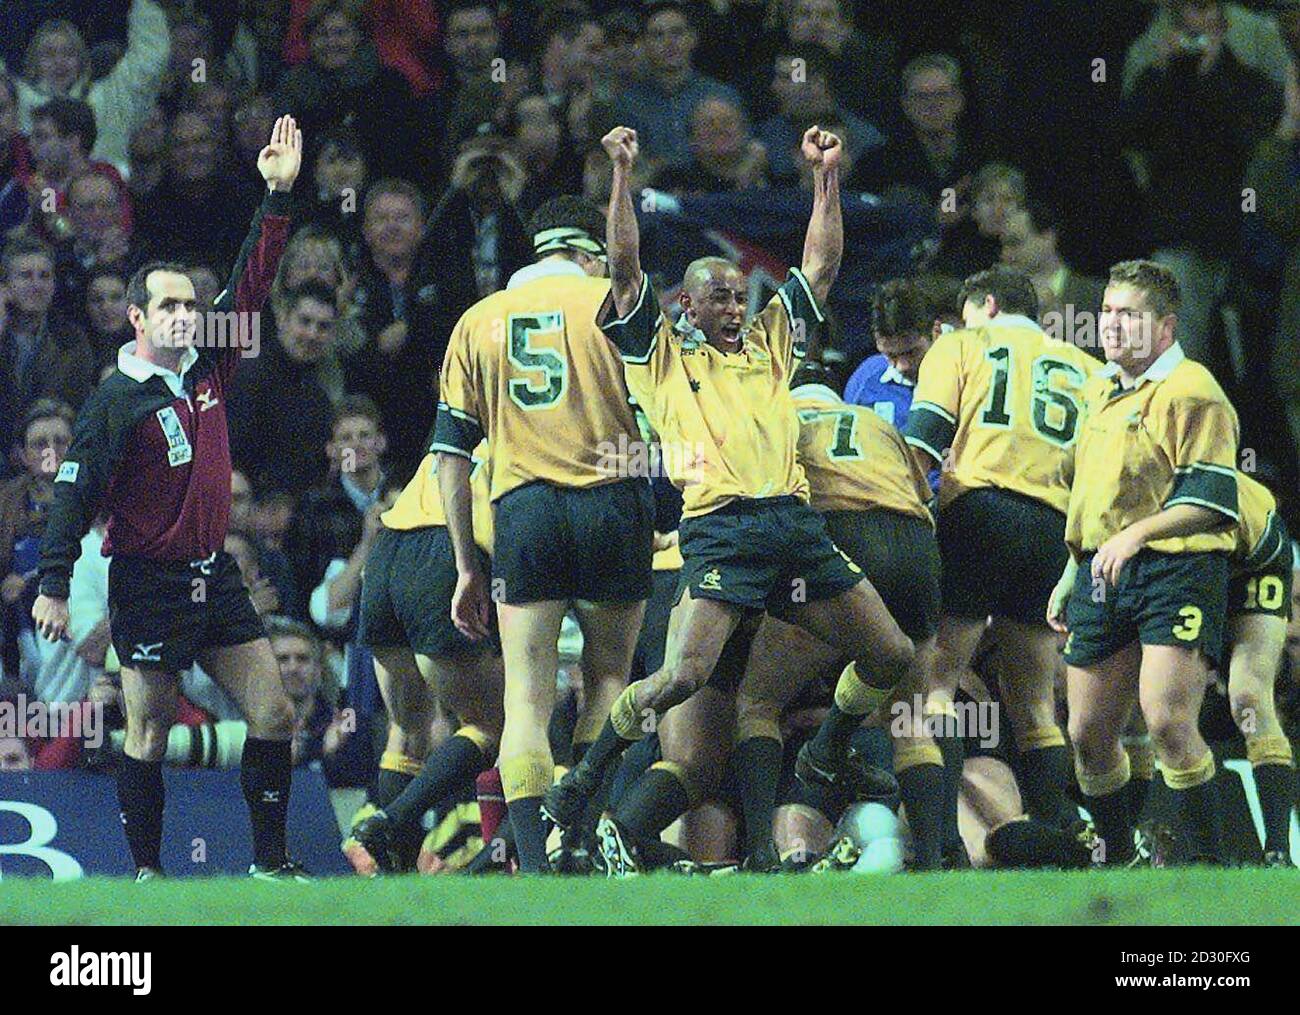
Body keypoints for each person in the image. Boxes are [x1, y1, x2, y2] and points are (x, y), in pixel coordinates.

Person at [549, 124, 916, 878]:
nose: (733, 306)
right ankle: (583, 785)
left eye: (739, 295)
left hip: (794, 524)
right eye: (719, 296)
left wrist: (827, 178)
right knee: (683, 676)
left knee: (890, 651)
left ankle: (825, 755)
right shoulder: (660, 350)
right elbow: (623, 264)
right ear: (687, 301)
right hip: (720, 528)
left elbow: (821, 262)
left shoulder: (771, 342)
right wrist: (621, 174)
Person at [31, 116, 307, 882]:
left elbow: (254, 278)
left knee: (275, 713)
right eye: (172, 307)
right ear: (139, 317)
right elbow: (72, 491)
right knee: (148, 733)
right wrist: (55, 582)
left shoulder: (210, 366)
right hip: (148, 580)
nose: (188, 315)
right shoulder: (115, 399)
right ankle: (149, 874)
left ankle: (272, 866)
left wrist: (276, 195)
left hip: (213, 573)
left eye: (193, 304)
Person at [432, 194, 655, 872]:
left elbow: (450, 457)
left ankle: (532, 858)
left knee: (523, 696)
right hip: (613, 501)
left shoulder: (479, 318)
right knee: (610, 675)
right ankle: (579, 837)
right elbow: (663, 420)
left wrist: (467, 563)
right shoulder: (618, 306)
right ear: (592, 250)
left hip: (525, 508)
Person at [1048, 259, 1241, 866]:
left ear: (1165, 327)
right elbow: (1088, 499)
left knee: (1166, 722)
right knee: (1086, 734)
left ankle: (1215, 867)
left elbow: (1210, 498)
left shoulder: (1193, 390)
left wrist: (1136, 536)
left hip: (1178, 567)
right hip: (1102, 570)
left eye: (1129, 315)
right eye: (1106, 313)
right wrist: (1071, 571)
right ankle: (1122, 853)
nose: (1112, 326)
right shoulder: (1101, 389)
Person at [901, 266, 1098, 859]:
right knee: (1035, 698)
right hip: (1053, 526)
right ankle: (1065, 827)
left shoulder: (961, 345)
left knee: (935, 682)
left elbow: (925, 440)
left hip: (979, 509)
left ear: (984, 304)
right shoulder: (1087, 369)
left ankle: (943, 846)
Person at [347, 442, 503, 873]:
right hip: (449, 556)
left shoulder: (461, 431)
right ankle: (391, 819)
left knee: (407, 728)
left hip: (386, 557)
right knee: (494, 725)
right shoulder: (535, 431)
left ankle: (395, 875)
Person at [1222, 471, 1296, 866]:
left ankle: (1278, 849)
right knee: (1150, 710)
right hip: (1176, 565)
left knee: (1249, 697)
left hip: (1251, 558)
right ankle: (1125, 847)